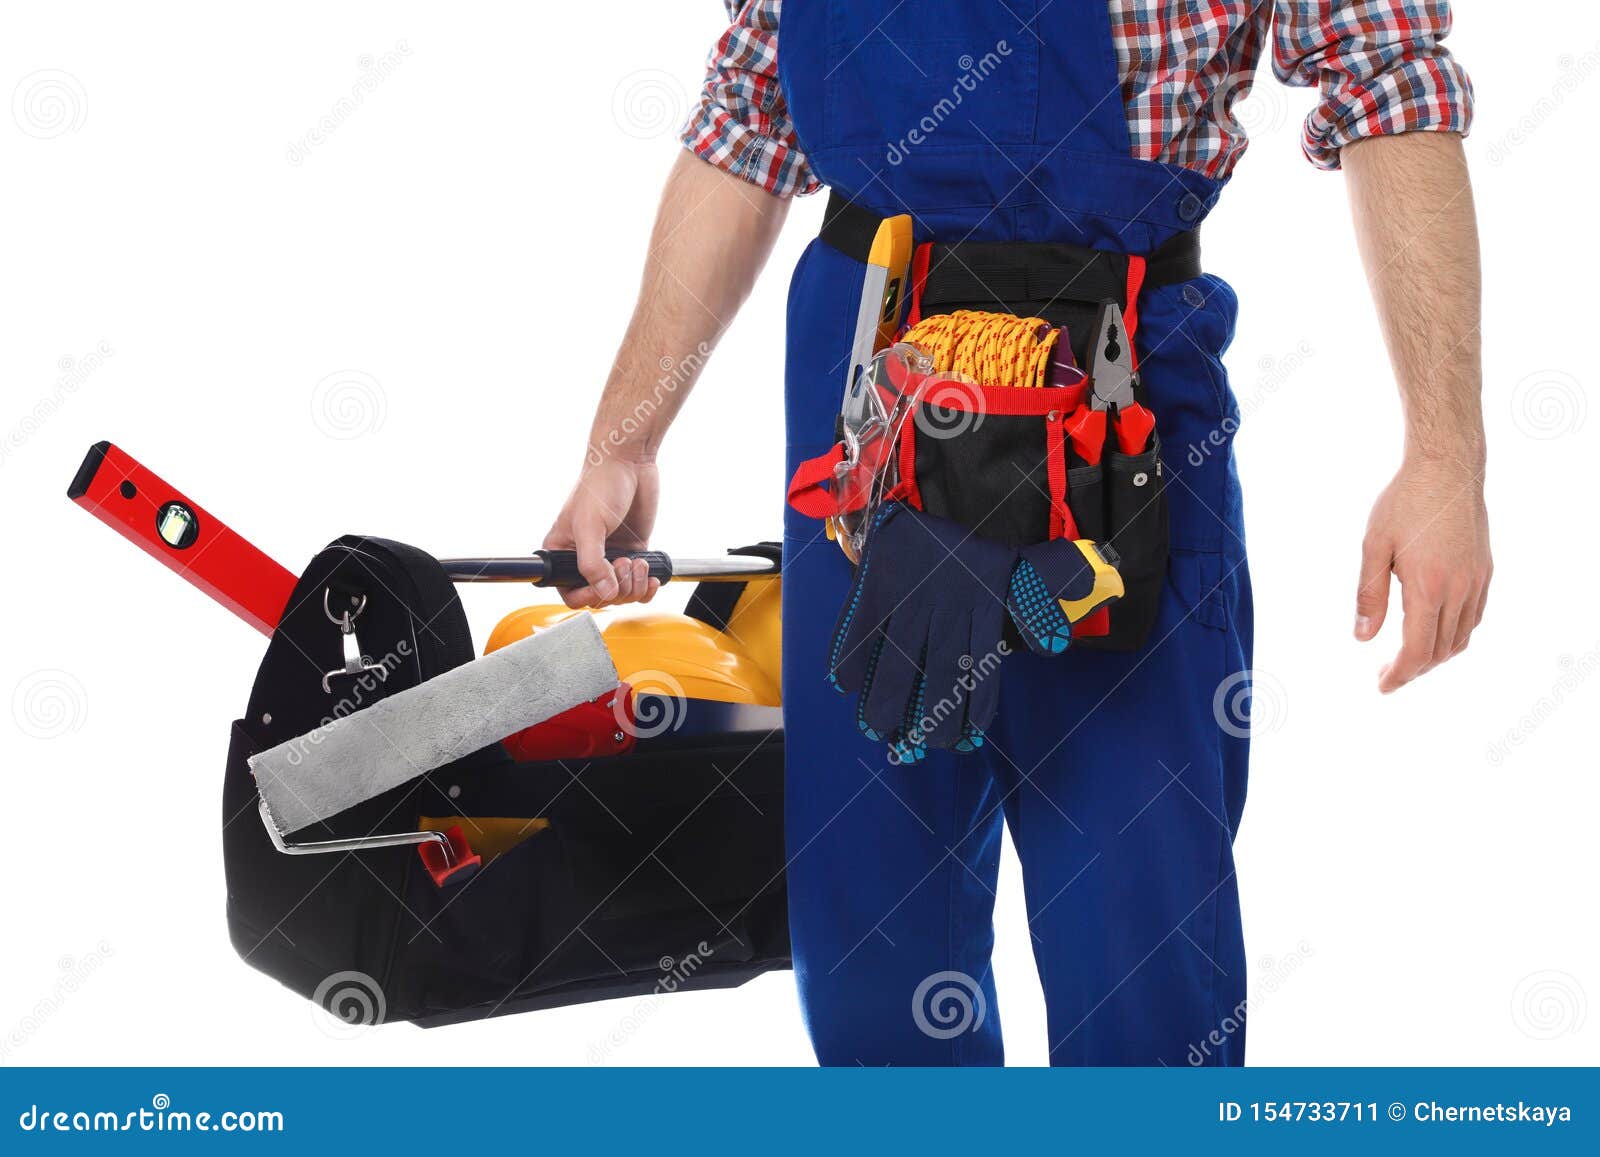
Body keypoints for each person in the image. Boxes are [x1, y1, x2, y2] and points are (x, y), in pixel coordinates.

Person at [543, 1, 1491, 1065]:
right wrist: (624, 437)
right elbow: (749, 120)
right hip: (867, 386)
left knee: (1142, 948)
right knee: (872, 951)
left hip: (1111, 394)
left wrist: (1445, 457)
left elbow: (1388, 77)